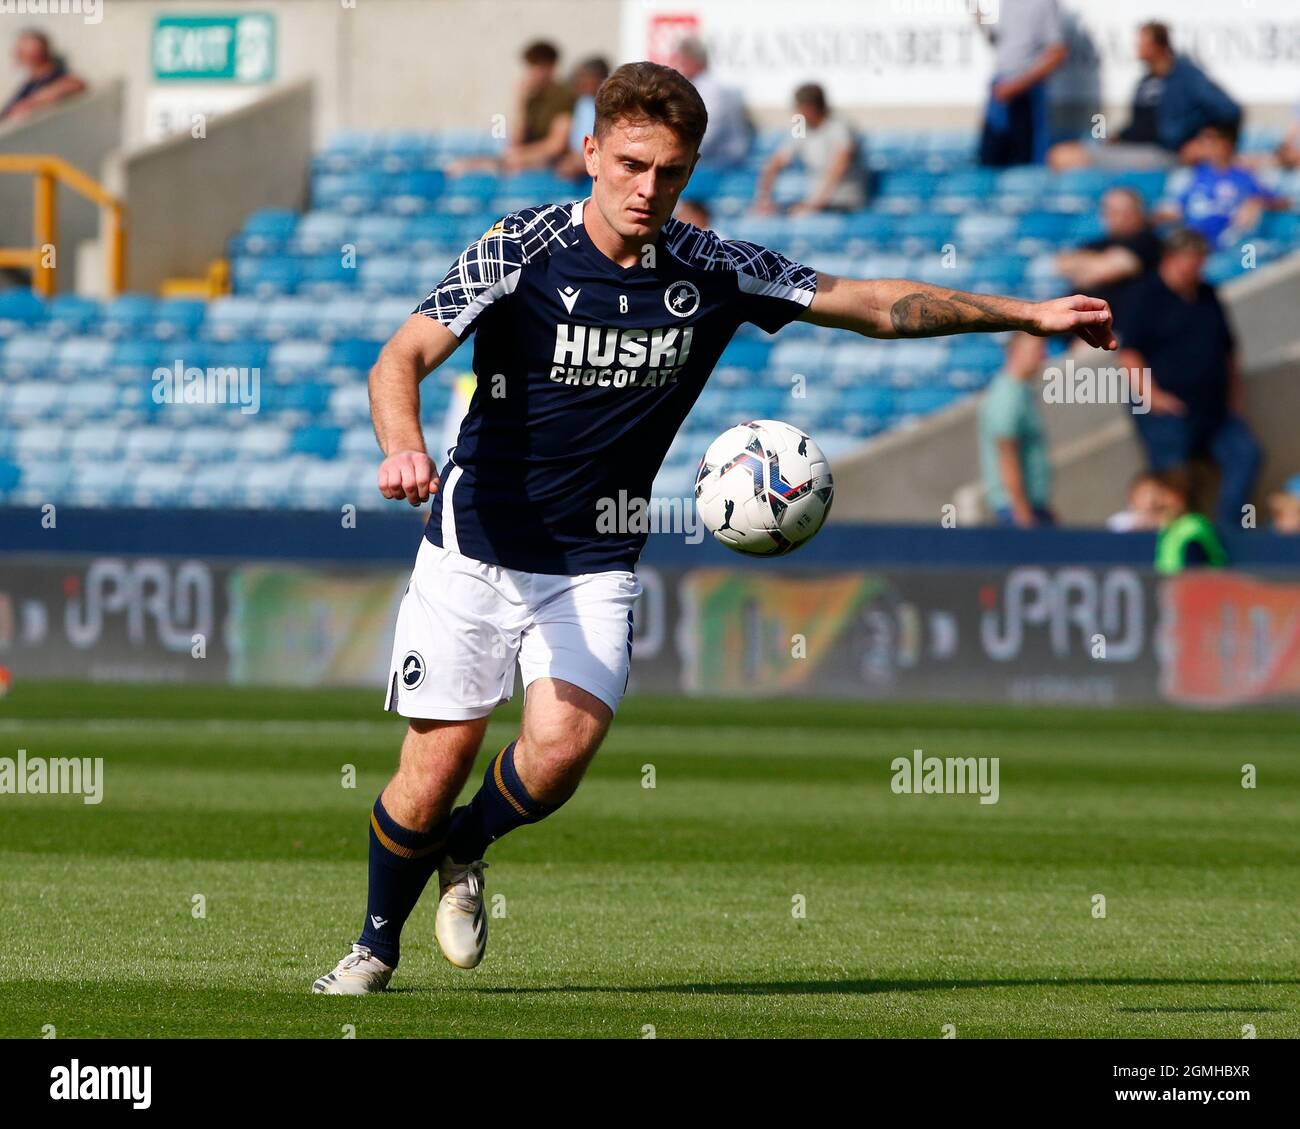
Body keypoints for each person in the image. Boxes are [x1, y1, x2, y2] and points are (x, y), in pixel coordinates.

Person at [311, 60, 1116, 995]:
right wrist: (403, 445)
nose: (649, 189)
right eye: (630, 164)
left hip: (594, 550)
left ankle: (465, 848)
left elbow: (864, 302)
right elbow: (401, 354)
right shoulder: (517, 247)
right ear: (590, 154)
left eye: (671, 172)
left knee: (562, 751)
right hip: (476, 538)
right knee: (437, 759)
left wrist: (1024, 314)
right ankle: (373, 945)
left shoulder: (713, 267)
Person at [1116, 229, 1261, 530]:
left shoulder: (1207, 295)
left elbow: (1228, 352)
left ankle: (1225, 533)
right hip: (1168, 411)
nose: (1196, 267)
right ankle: (1177, 541)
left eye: (1200, 260)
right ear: (1171, 258)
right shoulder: (1146, 296)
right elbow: (1128, 353)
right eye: (1191, 260)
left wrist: (1234, 402)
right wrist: (1152, 396)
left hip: (1215, 412)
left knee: (1246, 456)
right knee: (1173, 478)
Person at [1048, 22, 1240, 171]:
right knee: (1070, 150)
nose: (1137, 48)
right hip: (1134, 147)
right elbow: (1141, 123)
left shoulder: (1186, 77)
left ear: (1159, 46)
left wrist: (1200, 143)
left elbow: (1228, 110)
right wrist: (1119, 136)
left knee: (1064, 156)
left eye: (1142, 43)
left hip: (1163, 152)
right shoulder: (1146, 81)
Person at [448, 41, 575, 175]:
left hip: (551, 161)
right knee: (459, 166)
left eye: (537, 66)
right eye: (530, 66)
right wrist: (520, 102)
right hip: (524, 157)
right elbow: (515, 140)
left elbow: (556, 145)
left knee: (496, 167)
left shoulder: (563, 97)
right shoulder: (531, 97)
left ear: (551, 67)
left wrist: (520, 156)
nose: (532, 72)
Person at [1159, 122, 1289, 249]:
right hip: (1192, 243)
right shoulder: (1193, 175)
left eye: (1212, 140)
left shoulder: (1244, 176)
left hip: (1228, 244)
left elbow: (1282, 202)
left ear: (1227, 143)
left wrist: (1257, 201)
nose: (1206, 145)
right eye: (1203, 140)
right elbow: (1176, 208)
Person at [977, 0, 1068, 167]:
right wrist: (978, 15)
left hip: (1026, 92)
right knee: (990, 162)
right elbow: (999, 40)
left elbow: (1057, 52)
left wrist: (1016, 86)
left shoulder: (1043, 3)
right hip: (1001, 89)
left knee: (1029, 167)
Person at [753, 83, 867, 215]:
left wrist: (816, 203)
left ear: (811, 108)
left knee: (803, 219)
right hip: (814, 201)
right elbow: (778, 161)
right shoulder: (800, 124)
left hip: (844, 201)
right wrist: (763, 198)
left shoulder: (840, 125)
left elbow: (840, 164)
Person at [979, 333, 1054, 527]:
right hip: (1018, 510)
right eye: (1037, 350)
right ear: (1015, 352)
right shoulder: (1008, 395)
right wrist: (1022, 513)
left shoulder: (1021, 391)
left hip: (1030, 506)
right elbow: (1007, 453)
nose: (1043, 357)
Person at [1053, 187, 1163, 310]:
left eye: (1122, 211)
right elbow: (1062, 264)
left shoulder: (1146, 242)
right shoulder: (1098, 242)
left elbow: (1106, 272)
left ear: (1138, 212)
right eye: (1109, 211)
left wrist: (1085, 267)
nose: (1115, 217)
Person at [670, 36, 751, 169]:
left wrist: (677, 153)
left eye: (682, 61)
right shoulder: (692, 86)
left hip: (722, 163)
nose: (678, 66)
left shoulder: (711, 90)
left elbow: (708, 134)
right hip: (708, 159)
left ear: (693, 61)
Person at [0, 29, 86, 124]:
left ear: (37, 53)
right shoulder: (28, 85)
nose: (16, 53)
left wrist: (33, 103)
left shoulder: (54, 77)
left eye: (21, 50)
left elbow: (75, 84)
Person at [555, 56, 610, 180]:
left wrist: (581, 162)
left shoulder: (609, 107)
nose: (580, 82)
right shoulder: (583, 103)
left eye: (585, 77)